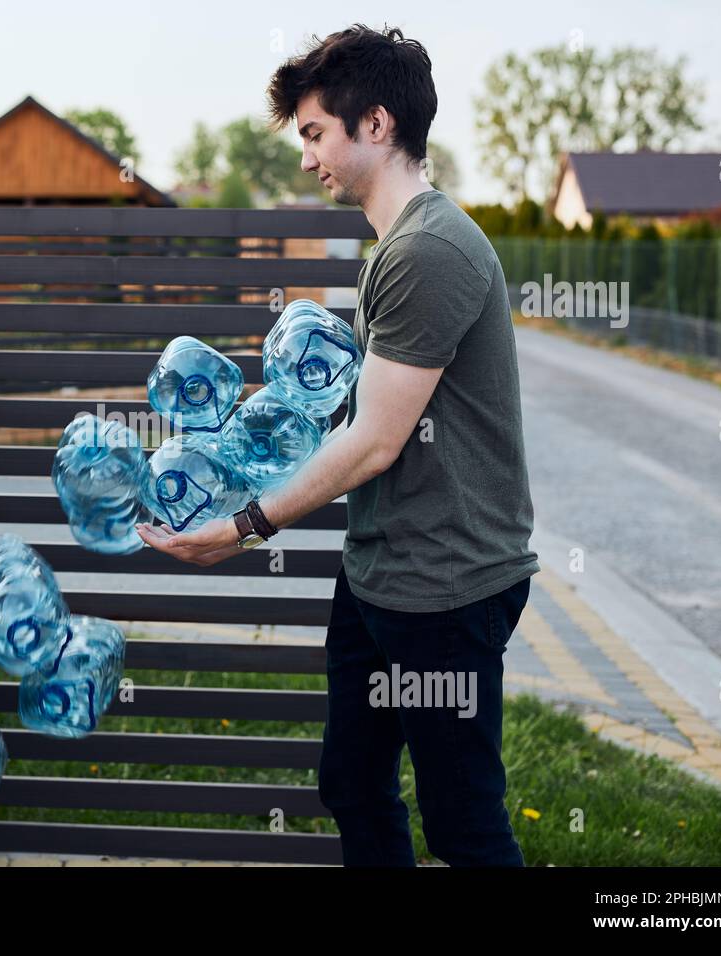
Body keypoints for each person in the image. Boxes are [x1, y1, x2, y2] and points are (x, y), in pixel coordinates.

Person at [136, 24, 539, 867]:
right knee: (353, 785)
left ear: (378, 125)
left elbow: (374, 444)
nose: (307, 155)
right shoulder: (395, 245)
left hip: (447, 587)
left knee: (464, 821)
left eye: (316, 132)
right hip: (381, 575)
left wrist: (241, 526)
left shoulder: (428, 249)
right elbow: (352, 421)